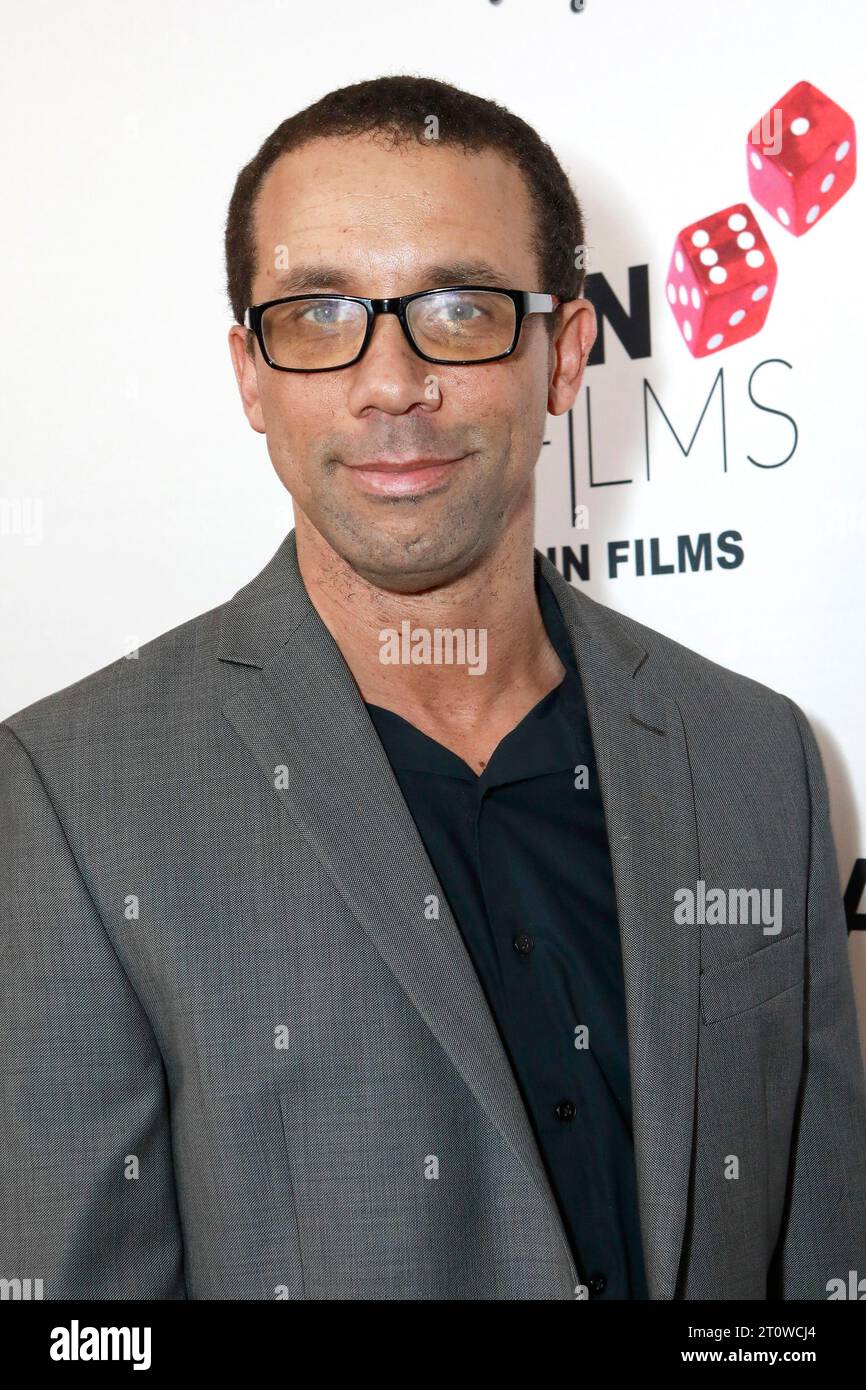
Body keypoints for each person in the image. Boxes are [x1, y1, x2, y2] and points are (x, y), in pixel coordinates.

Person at [2, 74, 864, 1301]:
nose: (391, 381)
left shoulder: (750, 754)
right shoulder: (71, 797)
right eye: (318, 314)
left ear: (564, 352)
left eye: (458, 310)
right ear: (251, 374)